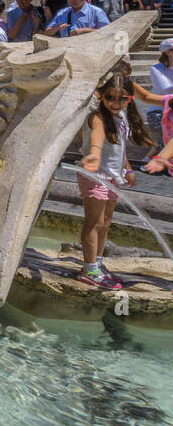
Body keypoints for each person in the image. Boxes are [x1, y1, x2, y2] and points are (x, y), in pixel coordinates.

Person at [76, 72, 151, 289]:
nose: (115, 103)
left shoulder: (122, 117)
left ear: (129, 98)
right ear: (100, 95)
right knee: (94, 222)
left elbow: (119, 148)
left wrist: (128, 169)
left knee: (106, 221)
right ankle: (89, 270)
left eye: (121, 98)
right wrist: (95, 153)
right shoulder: (96, 117)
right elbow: (98, 136)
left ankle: (97, 264)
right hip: (95, 175)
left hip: (112, 176)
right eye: (110, 97)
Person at [44, 0, 110, 36]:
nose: (72, 0)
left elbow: (107, 32)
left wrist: (85, 31)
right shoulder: (62, 13)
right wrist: (58, 27)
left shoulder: (97, 12)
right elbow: (47, 32)